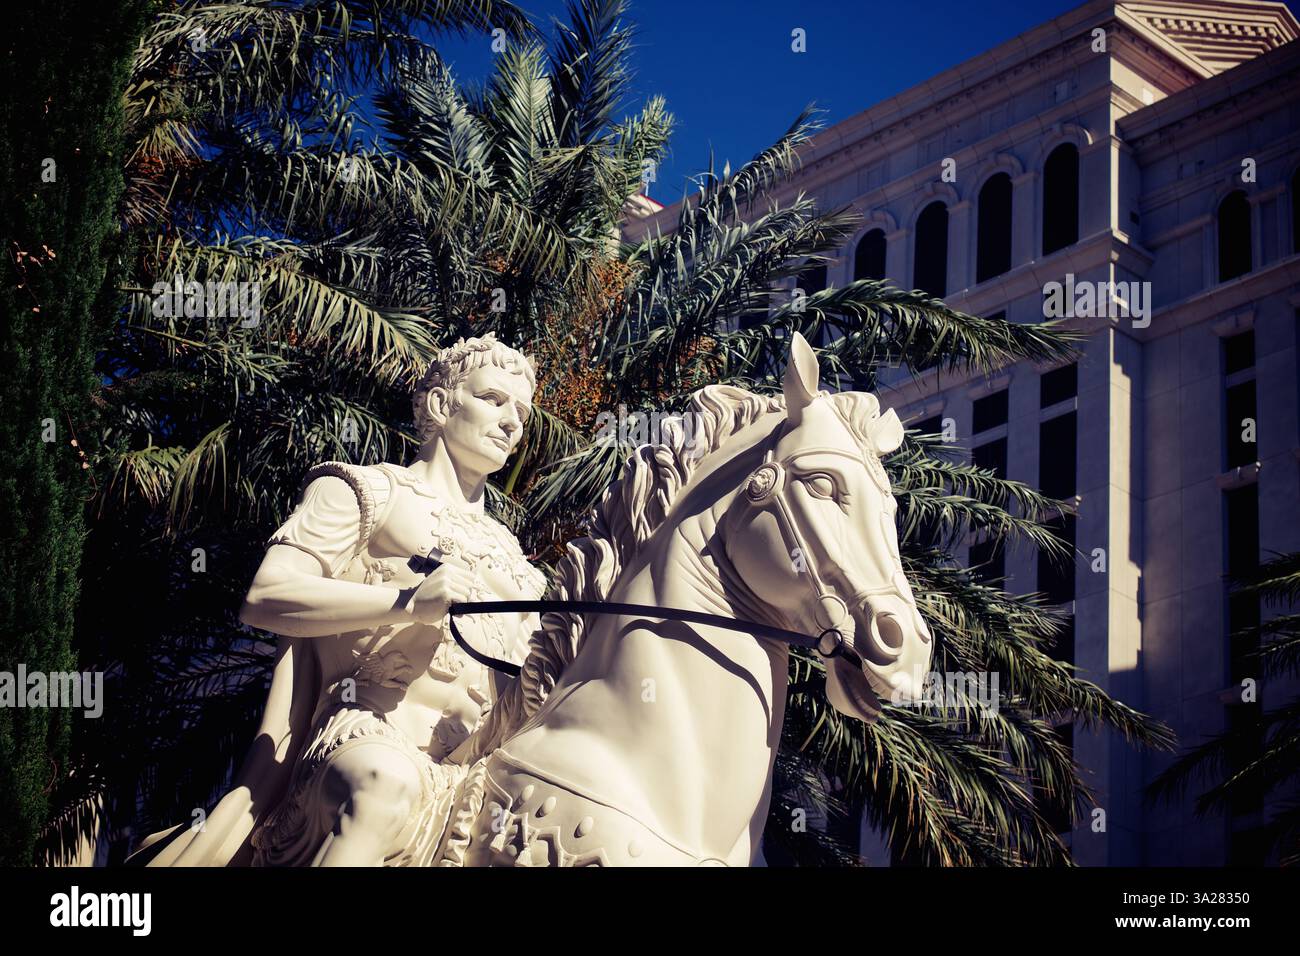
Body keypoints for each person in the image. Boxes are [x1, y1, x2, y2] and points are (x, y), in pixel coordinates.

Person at [131, 334, 546, 866]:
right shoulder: (367, 491)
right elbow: (267, 595)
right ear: (442, 405)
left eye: (521, 412)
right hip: (369, 738)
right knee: (383, 788)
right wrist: (406, 603)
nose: (512, 422)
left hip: (475, 774)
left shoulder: (520, 564)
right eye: (493, 399)